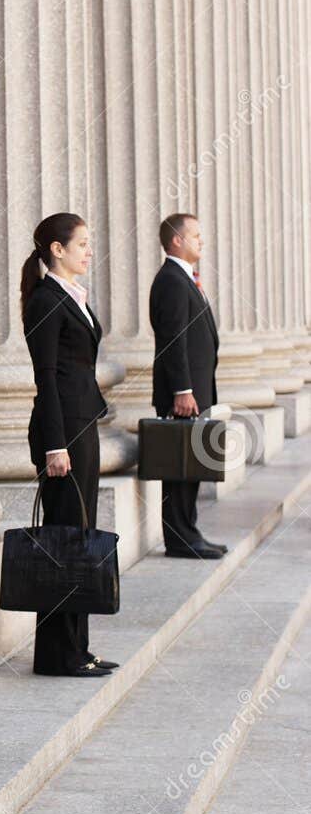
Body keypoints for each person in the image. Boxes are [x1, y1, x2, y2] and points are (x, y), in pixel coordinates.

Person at [20, 213, 118, 678]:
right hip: (63, 434)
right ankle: (59, 655)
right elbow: (47, 380)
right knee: (64, 541)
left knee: (80, 537)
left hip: (82, 425)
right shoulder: (46, 300)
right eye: (81, 243)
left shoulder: (71, 297)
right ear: (56, 250)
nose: (88, 250)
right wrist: (55, 445)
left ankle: (78, 647)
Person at [148, 213, 227, 559]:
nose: (201, 241)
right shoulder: (170, 281)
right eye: (195, 235)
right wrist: (182, 389)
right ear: (176, 240)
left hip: (196, 389)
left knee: (192, 464)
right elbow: (172, 339)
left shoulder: (185, 279)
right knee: (179, 466)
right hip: (184, 394)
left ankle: (189, 531)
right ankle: (180, 538)